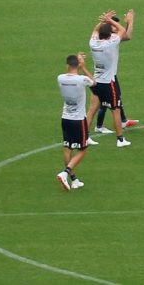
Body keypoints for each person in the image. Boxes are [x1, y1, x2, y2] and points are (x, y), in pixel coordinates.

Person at [87, 10, 135, 148]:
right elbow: (122, 31)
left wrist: (104, 21)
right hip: (108, 82)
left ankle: (85, 137)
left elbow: (95, 31)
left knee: (91, 110)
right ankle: (120, 140)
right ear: (110, 34)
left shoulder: (93, 42)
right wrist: (128, 22)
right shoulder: (111, 43)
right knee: (115, 109)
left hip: (96, 81)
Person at [57, 53, 93, 191]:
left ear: (67, 65)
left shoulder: (60, 78)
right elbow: (94, 82)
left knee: (67, 148)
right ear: (77, 65)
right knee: (82, 150)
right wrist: (83, 67)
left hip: (65, 118)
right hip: (78, 120)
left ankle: (74, 180)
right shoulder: (82, 79)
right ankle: (65, 173)